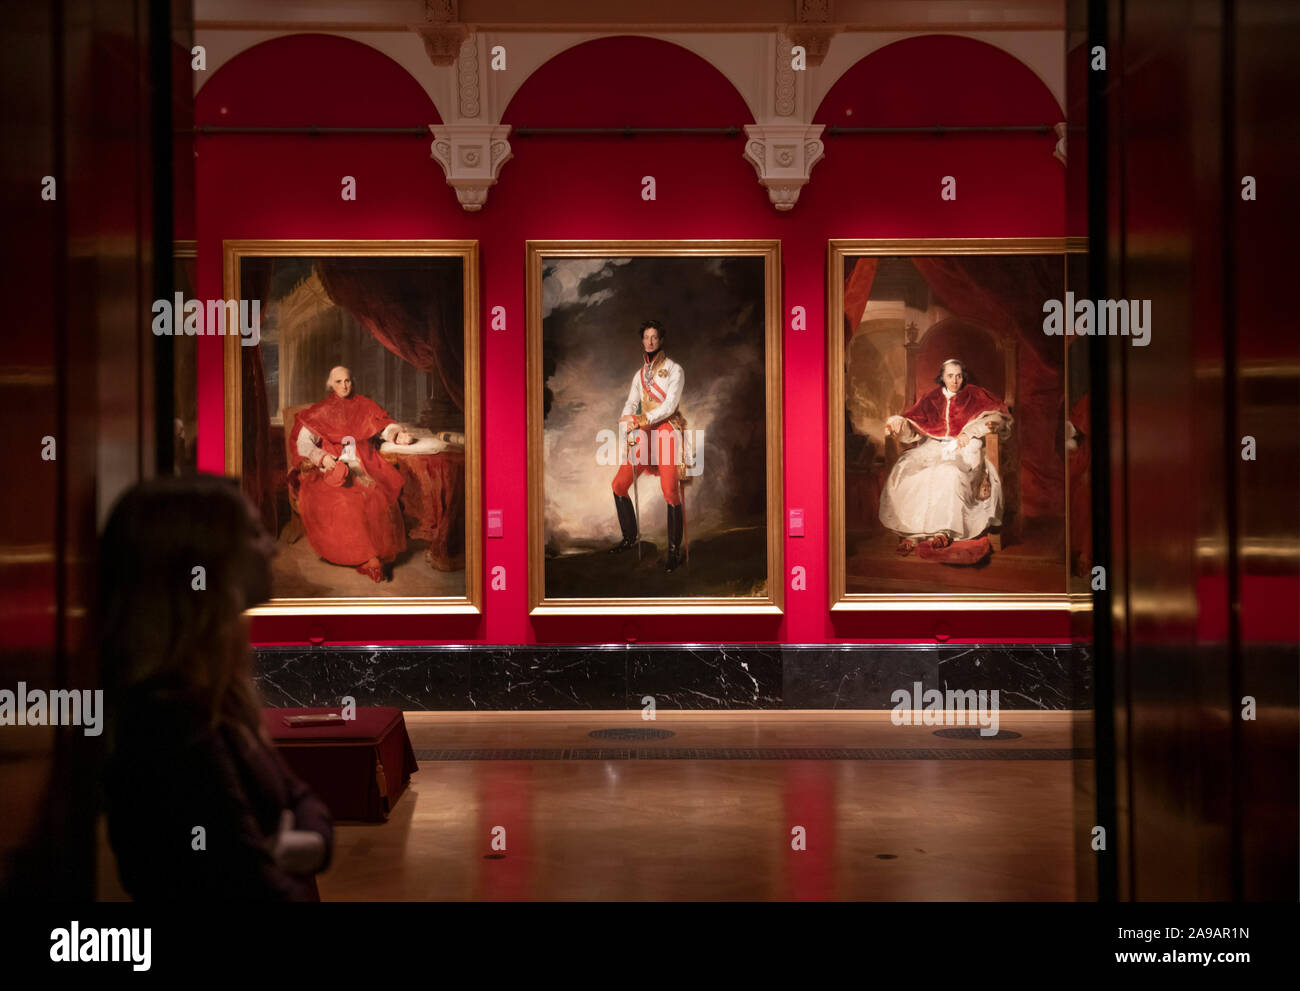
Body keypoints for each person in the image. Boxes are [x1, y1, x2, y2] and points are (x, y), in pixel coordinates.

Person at [100, 475, 334, 900]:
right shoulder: (169, 722)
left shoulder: (215, 689)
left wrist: (305, 843)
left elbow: (301, 799)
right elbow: (248, 887)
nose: (273, 546)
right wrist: (289, 843)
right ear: (201, 560)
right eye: (253, 533)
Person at [291, 365, 416, 583]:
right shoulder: (320, 411)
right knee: (344, 501)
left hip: (364, 463)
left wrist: (397, 435)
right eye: (338, 381)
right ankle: (367, 558)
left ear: (353, 381)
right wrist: (321, 457)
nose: (344, 385)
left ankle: (374, 554)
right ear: (331, 384)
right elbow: (303, 443)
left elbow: (382, 427)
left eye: (347, 380)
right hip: (331, 466)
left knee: (376, 495)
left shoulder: (364, 405)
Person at [880, 358, 1012, 555]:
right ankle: (912, 534)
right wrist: (898, 422)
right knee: (910, 470)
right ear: (942, 377)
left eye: (958, 376)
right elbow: (912, 425)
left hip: (965, 447)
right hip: (933, 447)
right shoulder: (931, 398)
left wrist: (971, 431)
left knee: (948, 472)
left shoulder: (975, 395)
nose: (955, 381)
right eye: (950, 376)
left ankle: (944, 531)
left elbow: (997, 417)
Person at [608, 320, 690, 572]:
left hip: (666, 429)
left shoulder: (675, 370)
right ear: (642, 341)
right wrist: (627, 430)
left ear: (661, 340)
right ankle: (630, 538)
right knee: (619, 485)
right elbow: (631, 404)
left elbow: (668, 407)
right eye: (646, 337)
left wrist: (641, 420)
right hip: (643, 431)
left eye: (655, 337)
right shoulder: (639, 375)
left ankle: (675, 552)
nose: (651, 341)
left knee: (669, 490)